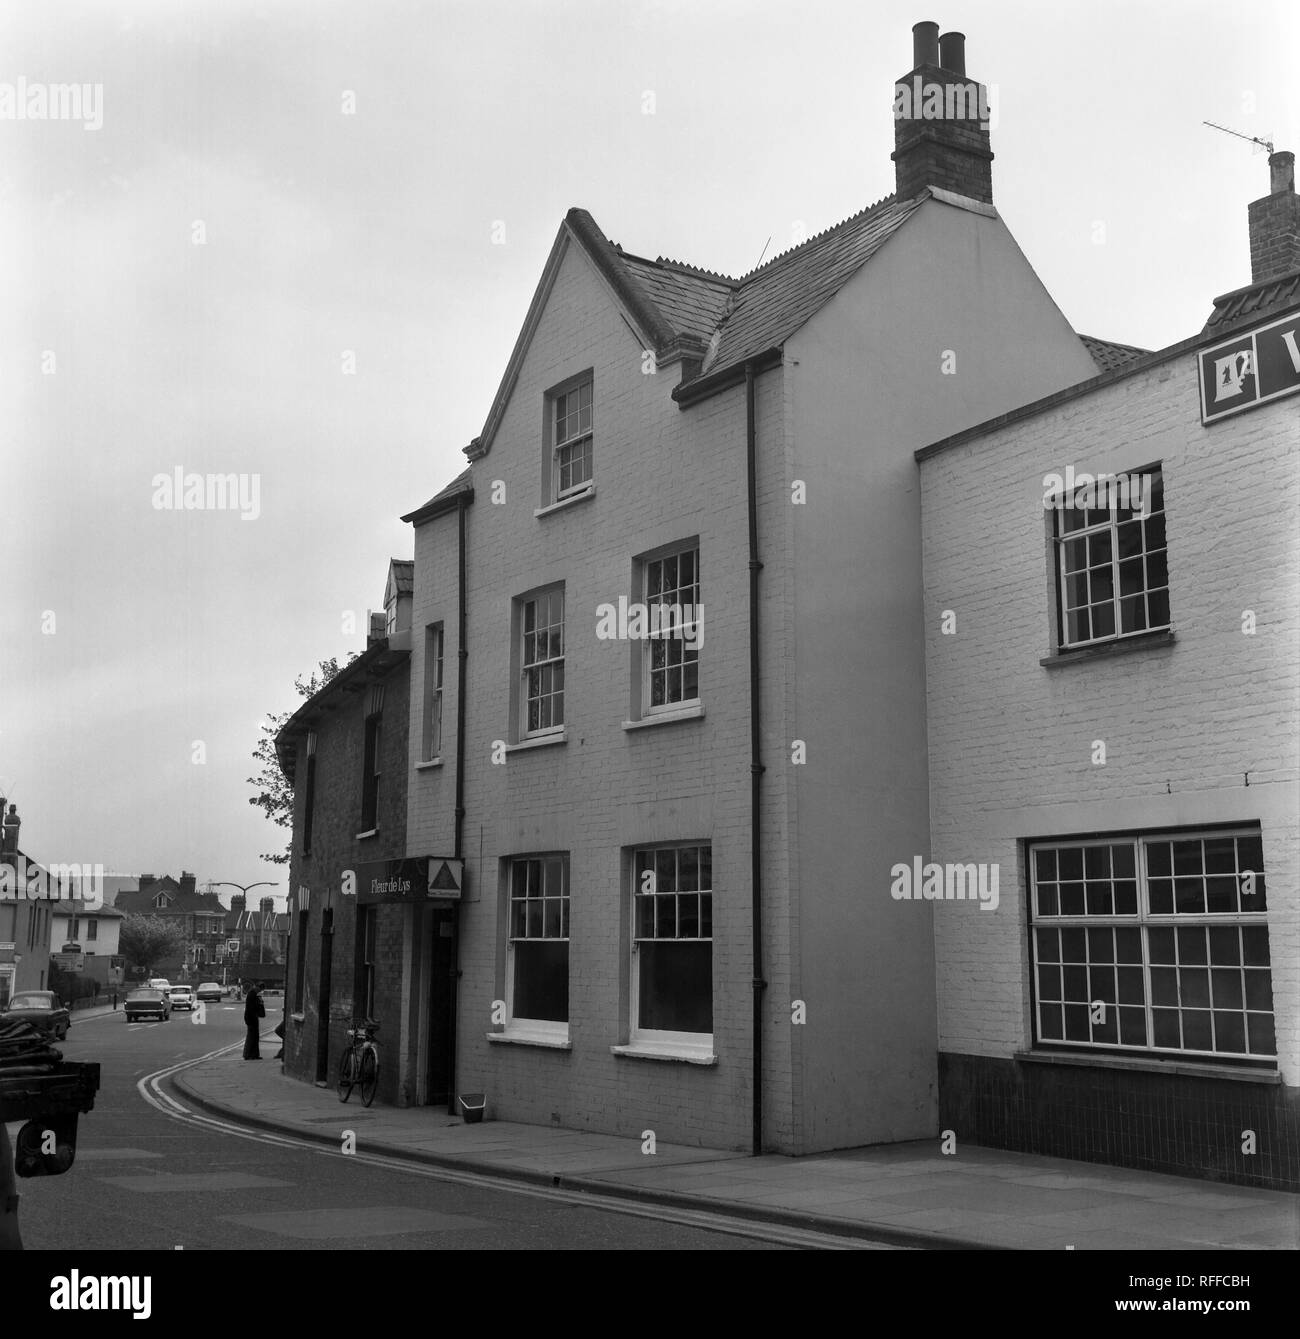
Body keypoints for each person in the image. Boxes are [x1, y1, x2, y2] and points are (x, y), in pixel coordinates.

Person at [242, 982, 265, 1059]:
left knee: (255, 1037)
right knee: (252, 1037)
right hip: (251, 1018)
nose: (260, 991)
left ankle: (254, 1054)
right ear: (258, 987)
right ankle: (248, 1055)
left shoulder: (254, 993)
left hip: (252, 1017)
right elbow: (254, 1007)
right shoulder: (253, 994)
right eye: (260, 989)